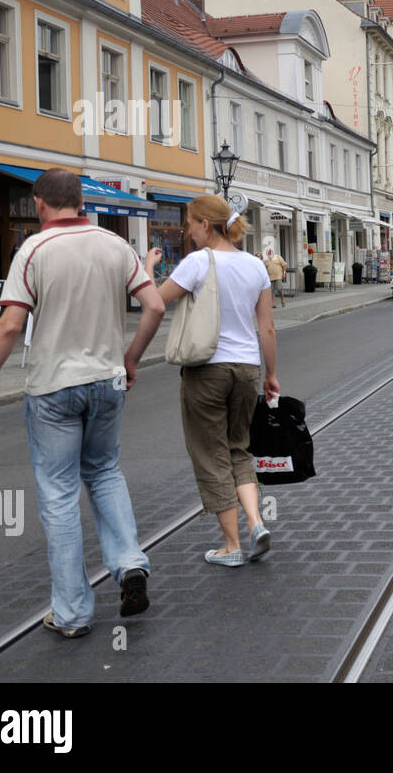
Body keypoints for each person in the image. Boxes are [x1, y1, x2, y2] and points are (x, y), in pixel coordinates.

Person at [0, 169, 165, 638]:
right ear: (81, 201)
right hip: (107, 381)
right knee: (104, 471)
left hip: (53, 387)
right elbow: (154, 306)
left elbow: (10, 327)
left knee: (58, 493)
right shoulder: (116, 247)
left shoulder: (33, 250)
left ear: (39, 204)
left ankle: (72, 612)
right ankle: (129, 561)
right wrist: (129, 359)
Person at [145, 195, 280, 568]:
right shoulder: (255, 266)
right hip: (247, 368)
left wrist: (147, 267)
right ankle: (255, 522)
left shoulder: (196, 263)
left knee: (211, 455)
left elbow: (156, 302)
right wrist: (270, 374)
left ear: (206, 224)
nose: (188, 231)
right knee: (239, 448)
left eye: (190, 224)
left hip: (207, 368)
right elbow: (266, 327)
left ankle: (231, 545)